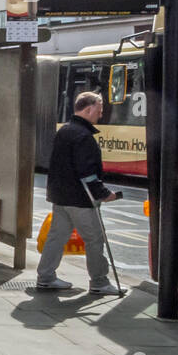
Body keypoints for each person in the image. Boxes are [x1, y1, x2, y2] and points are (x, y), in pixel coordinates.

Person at [36, 91, 122, 295]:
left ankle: (46, 276)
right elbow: (88, 173)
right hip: (80, 199)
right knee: (94, 239)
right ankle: (99, 282)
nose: (100, 116)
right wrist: (103, 193)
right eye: (99, 111)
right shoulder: (84, 137)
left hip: (60, 196)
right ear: (89, 109)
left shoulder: (64, 131)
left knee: (57, 236)